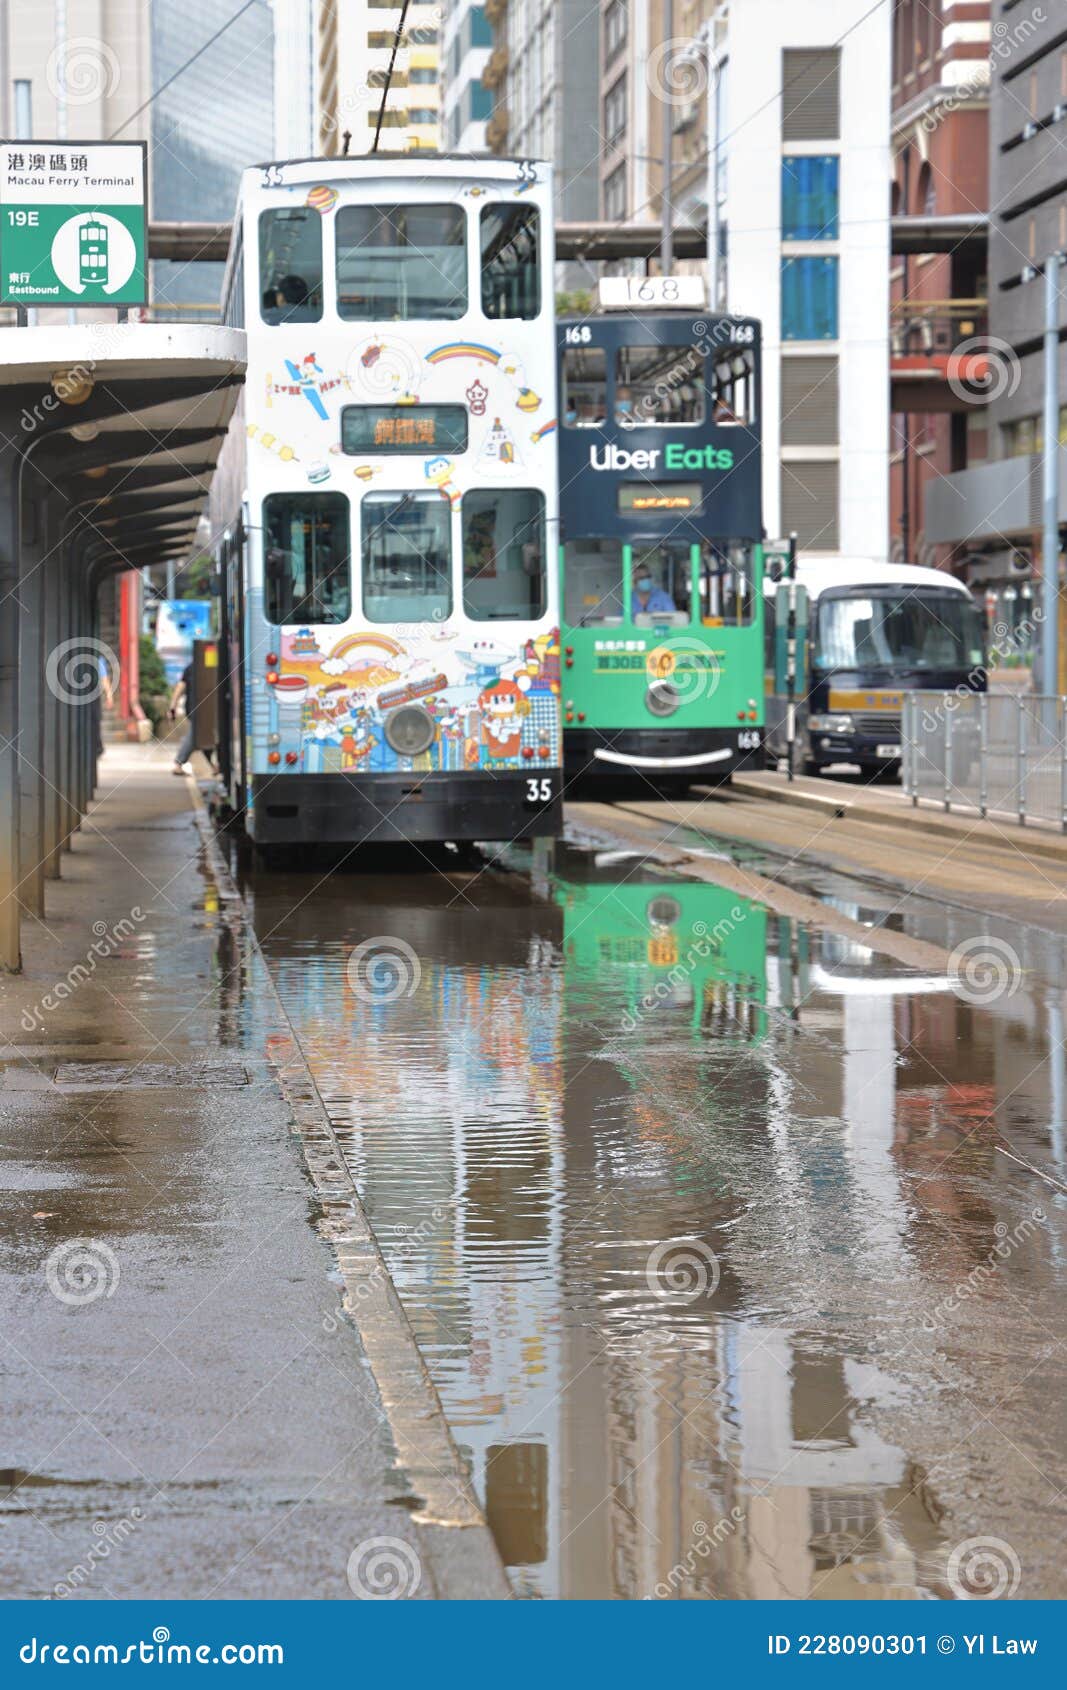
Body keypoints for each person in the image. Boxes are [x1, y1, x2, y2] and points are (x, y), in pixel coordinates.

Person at [168, 659, 195, 776]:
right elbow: (181, 686)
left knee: (202, 736)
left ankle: (214, 766)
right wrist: (172, 706)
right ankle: (178, 763)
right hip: (199, 709)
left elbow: (180, 686)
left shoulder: (190, 667)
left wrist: (172, 705)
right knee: (195, 736)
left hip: (192, 707)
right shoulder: (193, 667)